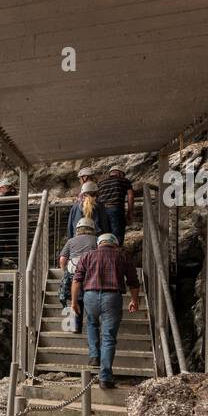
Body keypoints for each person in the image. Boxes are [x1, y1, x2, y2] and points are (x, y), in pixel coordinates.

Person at [71, 233, 141, 390]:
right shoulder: (122, 256)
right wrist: (134, 300)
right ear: (114, 244)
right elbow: (133, 281)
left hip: (90, 296)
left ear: (99, 244)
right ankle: (105, 378)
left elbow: (77, 280)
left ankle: (94, 356)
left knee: (91, 323)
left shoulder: (87, 255)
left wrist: (74, 302)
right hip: (112, 297)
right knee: (109, 337)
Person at [58, 217, 100, 332]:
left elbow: (62, 259)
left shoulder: (71, 241)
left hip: (74, 273)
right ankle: (93, 326)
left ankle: (76, 326)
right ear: (92, 228)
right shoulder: (96, 240)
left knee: (76, 299)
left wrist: (65, 272)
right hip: (91, 273)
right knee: (91, 297)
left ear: (77, 229)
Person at [98, 164, 135, 245]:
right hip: (116, 209)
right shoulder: (124, 181)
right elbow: (130, 195)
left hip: (102, 211)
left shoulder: (101, 183)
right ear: (119, 173)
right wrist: (130, 212)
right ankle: (117, 255)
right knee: (117, 235)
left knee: (105, 235)